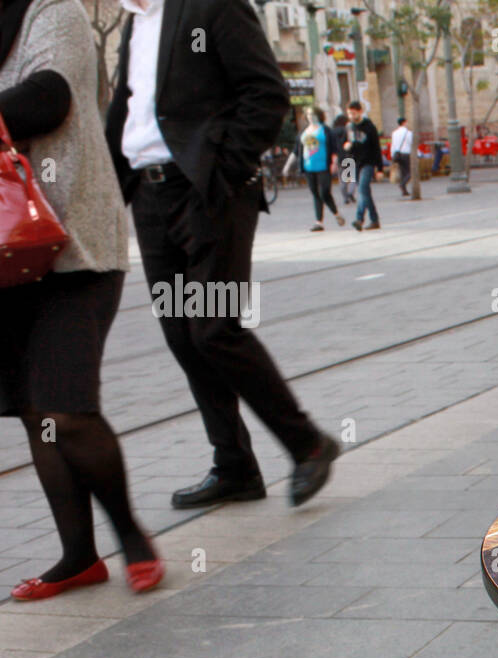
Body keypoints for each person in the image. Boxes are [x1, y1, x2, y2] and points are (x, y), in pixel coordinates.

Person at [106, 0, 339, 511]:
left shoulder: (211, 5)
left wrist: (222, 173)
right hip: (150, 196)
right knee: (182, 334)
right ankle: (234, 465)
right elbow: (128, 108)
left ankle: (309, 443)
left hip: (208, 194)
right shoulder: (133, 22)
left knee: (214, 327)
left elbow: (266, 93)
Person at [0, 0, 163, 600]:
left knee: (65, 409)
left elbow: (49, 98)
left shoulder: (54, 11)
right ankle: (78, 556)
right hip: (4, 253)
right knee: (34, 416)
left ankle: (133, 537)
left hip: (74, 244)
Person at [296, 107, 344, 231]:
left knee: (324, 192)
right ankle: (319, 222)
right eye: (308, 114)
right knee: (315, 194)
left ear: (319, 115)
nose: (310, 116)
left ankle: (336, 213)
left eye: (313, 114)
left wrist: (334, 162)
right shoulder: (303, 132)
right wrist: (287, 165)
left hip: (324, 166)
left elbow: (334, 148)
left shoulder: (326, 130)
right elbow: (297, 149)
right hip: (308, 166)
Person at [341, 101, 381, 230]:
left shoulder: (369, 127)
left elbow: (376, 148)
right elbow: (344, 144)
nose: (351, 116)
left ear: (360, 112)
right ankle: (375, 220)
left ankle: (359, 219)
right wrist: (346, 146)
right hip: (353, 162)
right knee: (365, 193)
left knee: (362, 189)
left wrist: (379, 168)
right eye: (349, 114)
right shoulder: (348, 127)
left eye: (353, 113)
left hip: (368, 162)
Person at [332, 113, 355, 203]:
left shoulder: (332, 132)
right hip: (348, 155)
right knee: (352, 177)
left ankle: (345, 197)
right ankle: (350, 193)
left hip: (338, 156)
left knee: (342, 179)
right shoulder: (347, 130)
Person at [389, 115, 413, 197]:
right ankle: (402, 184)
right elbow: (412, 144)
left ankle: (404, 190)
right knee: (410, 172)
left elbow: (393, 145)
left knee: (403, 172)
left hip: (397, 154)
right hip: (406, 153)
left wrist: (392, 155)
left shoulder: (394, 133)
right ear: (404, 122)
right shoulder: (409, 133)